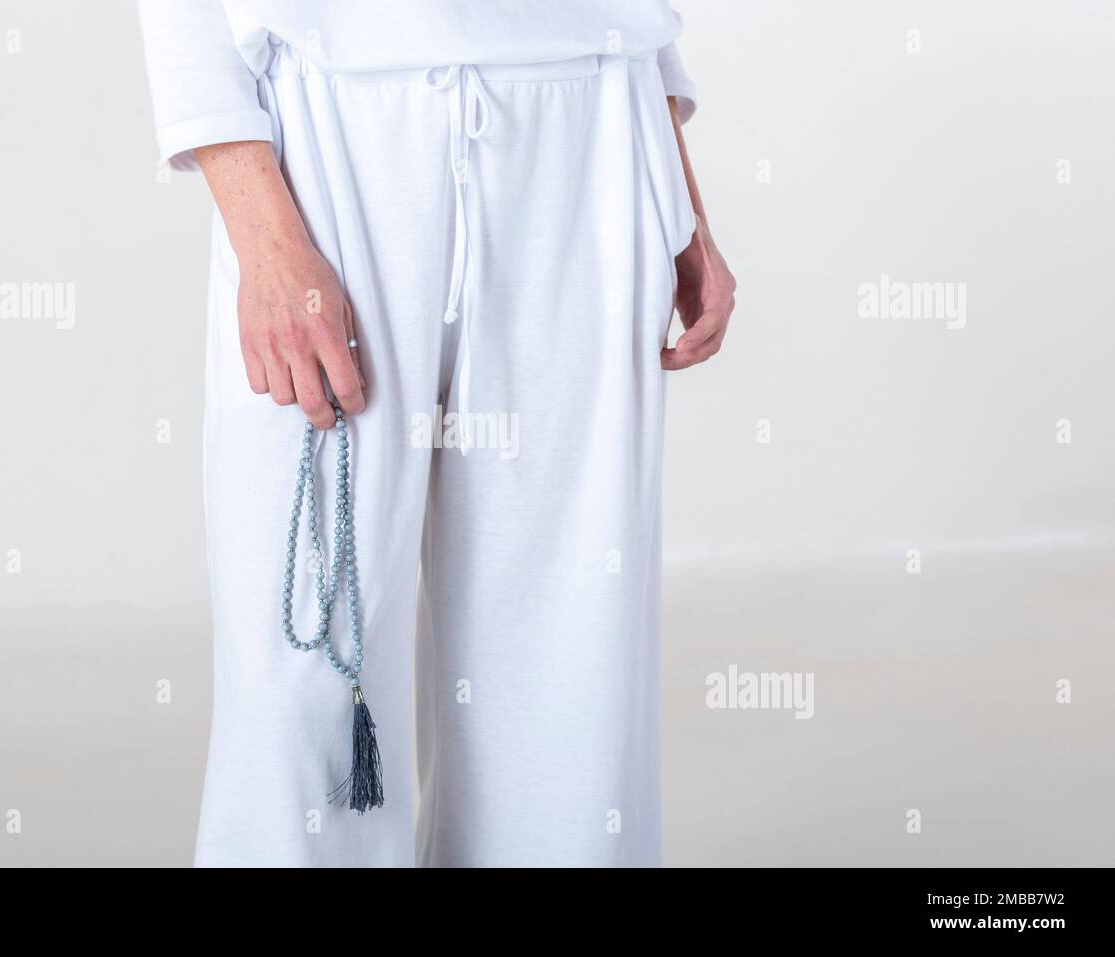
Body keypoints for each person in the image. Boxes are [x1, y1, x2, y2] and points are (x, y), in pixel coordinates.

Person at [137, 0, 736, 867]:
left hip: (594, 118)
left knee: (565, 659)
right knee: (308, 649)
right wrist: (264, 237)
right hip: (332, 132)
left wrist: (682, 198)